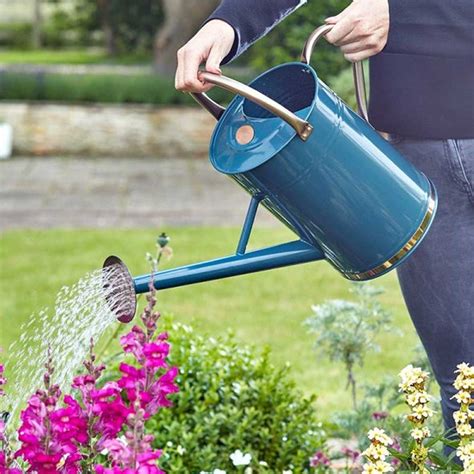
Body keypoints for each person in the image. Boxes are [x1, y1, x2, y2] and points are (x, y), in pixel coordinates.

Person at [175, 0, 474, 438]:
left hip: (422, 149)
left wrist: (404, 16)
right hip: (418, 160)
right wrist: (226, 25)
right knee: (464, 392)